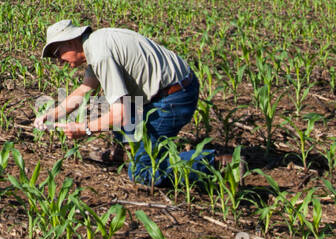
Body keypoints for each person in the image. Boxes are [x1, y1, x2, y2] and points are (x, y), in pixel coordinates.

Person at [32, 19, 219, 186]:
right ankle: (132, 150)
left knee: (144, 173)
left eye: (58, 53)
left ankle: (215, 162)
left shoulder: (100, 55)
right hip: (170, 87)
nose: (59, 61)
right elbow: (86, 89)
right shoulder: (94, 42)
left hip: (174, 97)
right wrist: (50, 115)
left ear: (71, 41)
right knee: (112, 109)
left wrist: (84, 129)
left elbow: (120, 116)